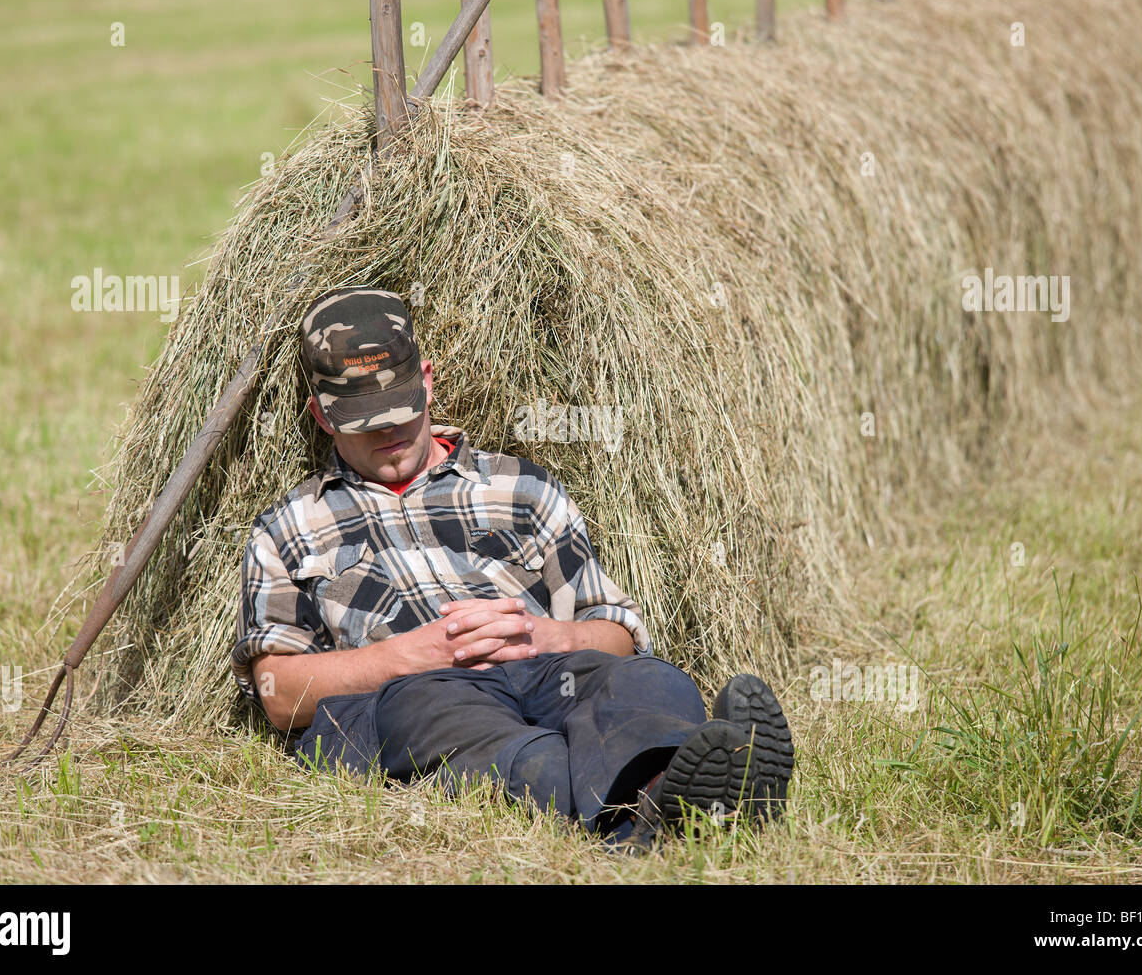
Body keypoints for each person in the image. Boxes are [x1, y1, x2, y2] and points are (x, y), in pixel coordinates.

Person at [232, 286, 795, 849]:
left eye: (402, 406)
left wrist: (548, 635)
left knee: (646, 679)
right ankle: (665, 796)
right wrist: (408, 656)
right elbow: (278, 695)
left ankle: (670, 785)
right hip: (413, 696)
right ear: (322, 417)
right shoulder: (287, 528)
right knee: (448, 716)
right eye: (363, 420)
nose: (388, 431)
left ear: (427, 381)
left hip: (548, 673)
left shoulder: (522, 488)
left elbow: (619, 634)